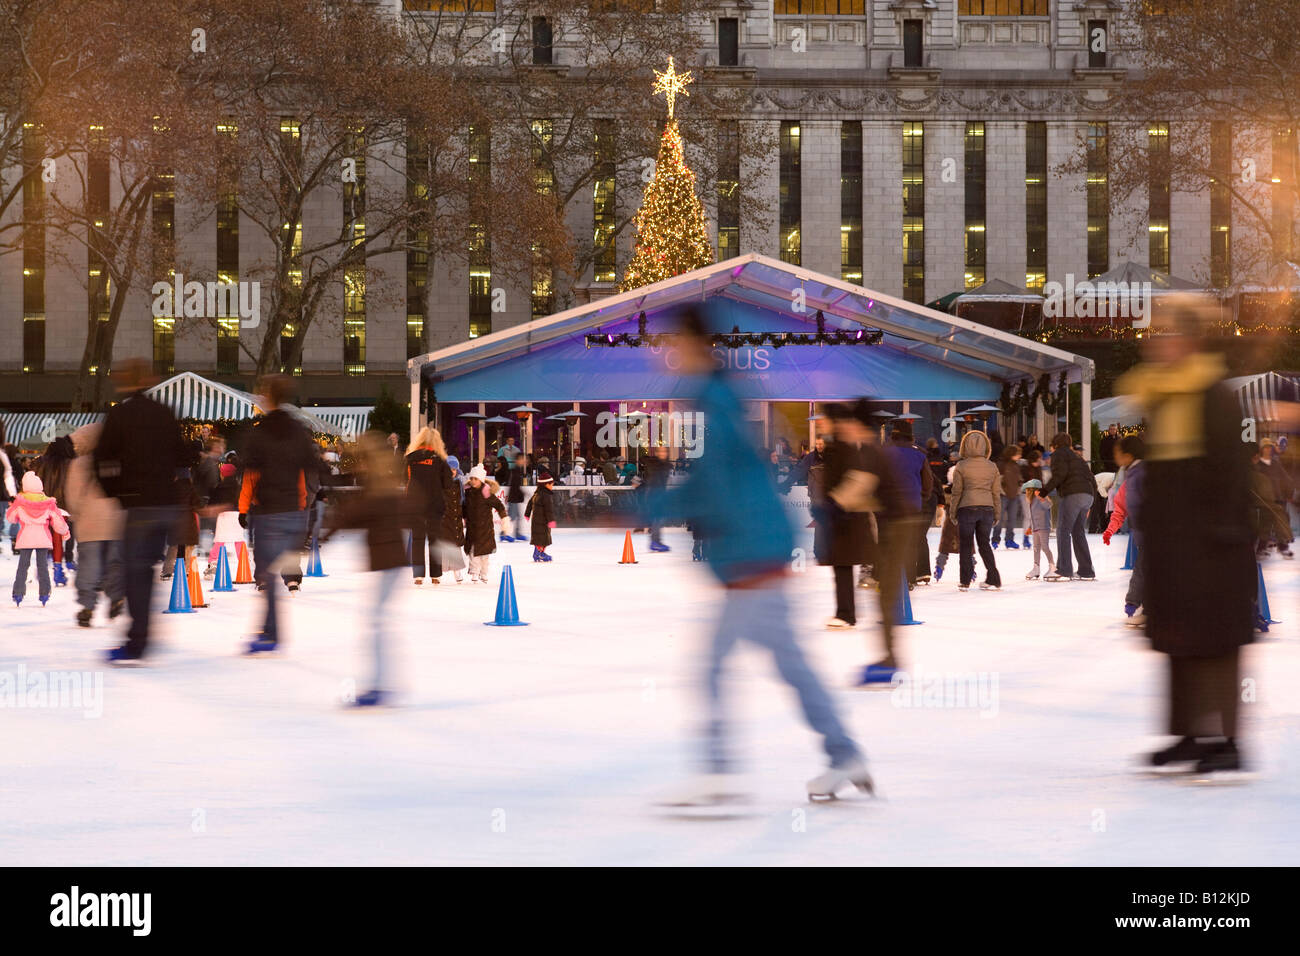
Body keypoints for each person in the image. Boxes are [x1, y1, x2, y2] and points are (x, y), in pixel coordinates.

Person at [649, 307, 871, 806]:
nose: (668, 355)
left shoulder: (713, 400)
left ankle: (718, 772)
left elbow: (714, 482)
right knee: (790, 665)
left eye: (674, 343)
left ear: (694, 344)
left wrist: (647, 506)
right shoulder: (717, 396)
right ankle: (843, 753)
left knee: (714, 668)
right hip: (755, 549)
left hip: (752, 552)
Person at [1116, 294, 1255, 774]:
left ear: (1190, 340)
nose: (1158, 343)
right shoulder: (1165, 395)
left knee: (1215, 640)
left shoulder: (1212, 393)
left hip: (1212, 542)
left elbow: (1229, 471)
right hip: (1177, 544)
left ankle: (1228, 740)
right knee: (1178, 638)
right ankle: (1190, 733)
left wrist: (1222, 530)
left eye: (1168, 333)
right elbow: (1159, 474)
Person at [94, 358, 194, 663]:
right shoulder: (163, 413)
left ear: (127, 380)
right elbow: (181, 452)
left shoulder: (121, 414)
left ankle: (138, 640)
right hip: (165, 501)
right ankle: (144, 635)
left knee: (136, 572)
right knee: (146, 568)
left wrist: (115, 493)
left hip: (138, 503)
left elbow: (104, 460)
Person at [322, 431, 419, 707]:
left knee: (376, 625)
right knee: (377, 624)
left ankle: (380, 685)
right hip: (388, 561)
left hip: (389, 562)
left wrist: (325, 536)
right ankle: (381, 684)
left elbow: (356, 514)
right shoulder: (382, 485)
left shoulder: (379, 488)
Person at [238, 374, 318, 654]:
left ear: (268, 396)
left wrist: (247, 506)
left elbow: (249, 465)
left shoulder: (260, 431)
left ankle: (271, 632)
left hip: (270, 510)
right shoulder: (298, 430)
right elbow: (312, 464)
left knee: (266, 572)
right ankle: (271, 630)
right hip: (294, 511)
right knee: (278, 566)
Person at [65, 425, 125, 627]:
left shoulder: (81, 463)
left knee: (89, 565)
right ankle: (117, 597)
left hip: (89, 523)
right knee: (114, 563)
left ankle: (87, 605)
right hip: (117, 522)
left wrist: (76, 514)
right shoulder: (119, 461)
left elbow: (73, 494)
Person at [1037, 432, 1097, 581]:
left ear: (1055, 444)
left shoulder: (1058, 454)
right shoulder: (1078, 457)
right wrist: (1090, 503)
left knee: (1063, 531)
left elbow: (1059, 475)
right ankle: (1086, 571)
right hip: (1087, 495)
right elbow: (1092, 479)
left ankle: (1064, 569)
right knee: (1078, 532)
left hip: (1072, 495)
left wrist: (1044, 492)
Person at [949, 429, 1002, 591]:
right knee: (984, 544)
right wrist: (997, 513)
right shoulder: (992, 466)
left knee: (965, 544)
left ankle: (965, 581)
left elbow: (957, 491)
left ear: (965, 446)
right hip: (987, 508)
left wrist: (953, 511)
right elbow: (996, 492)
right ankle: (993, 578)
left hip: (967, 508)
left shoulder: (961, 466)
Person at [6, 472, 70, 608]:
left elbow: (11, 518)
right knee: (43, 567)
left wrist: (13, 506)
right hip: (43, 538)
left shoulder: (20, 502)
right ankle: (44, 593)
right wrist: (65, 531)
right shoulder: (48, 502)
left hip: (26, 538)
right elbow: (58, 521)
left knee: (22, 567)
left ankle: (18, 593)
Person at [1102, 434, 1146, 624]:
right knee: (1146, 571)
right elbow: (1120, 508)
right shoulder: (1130, 478)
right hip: (1145, 536)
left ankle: (1136, 605)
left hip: (1157, 535)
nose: (1116, 457)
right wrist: (1110, 529)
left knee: (1145, 571)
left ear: (1129, 455)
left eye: (1118, 453)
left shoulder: (1145, 474)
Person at [885, 421, 933, 586]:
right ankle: (909, 579)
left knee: (889, 542)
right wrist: (922, 497)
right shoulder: (920, 454)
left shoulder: (885, 452)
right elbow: (928, 482)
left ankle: (890, 578)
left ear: (893, 434)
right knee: (911, 543)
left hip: (889, 506)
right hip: (912, 505)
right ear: (911, 435)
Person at [405, 426, 452, 586]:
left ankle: (418, 575)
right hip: (435, 504)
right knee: (435, 540)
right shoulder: (439, 460)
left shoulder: (410, 458)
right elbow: (448, 484)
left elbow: (404, 478)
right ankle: (435, 575)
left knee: (417, 539)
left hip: (414, 504)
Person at [462, 464, 505, 583]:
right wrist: (463, 517)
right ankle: (474, 572)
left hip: (485, 528)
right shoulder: (468, 492)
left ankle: (484, 572)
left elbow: (499, 505)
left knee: (485, 554)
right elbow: (464, 507)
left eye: (475, 479)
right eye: (471, 478)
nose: (473, 481)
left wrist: (504, 518)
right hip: (472, 528)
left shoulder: (486, 492)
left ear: (481, 480)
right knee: (473, 551)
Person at [439, 456, 467, 583]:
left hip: (456, 519)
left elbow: (462, 501)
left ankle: (457, 571)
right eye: (450, 469)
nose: (452, 471)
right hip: (444, 519)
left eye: (455, 469)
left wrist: (464, 516)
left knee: (455, 546)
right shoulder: (440, 483)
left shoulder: (459, 484)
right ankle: (439, 572)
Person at [1020, 479, 1055, 581]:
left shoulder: (1040, 499)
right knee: (1036, 548)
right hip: (1036, 528)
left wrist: (1042, 498)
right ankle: (1036, 568)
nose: (1026, 493)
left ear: (1032, 490)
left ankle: (1052, 566)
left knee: (1045, 547)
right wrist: (1030, 527)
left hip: (1043, 527)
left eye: (1027, 490)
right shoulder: (1032, 502)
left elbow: (1049, 505)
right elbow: (1033, 516)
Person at [994, 444, 1023, 549]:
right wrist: (1002, 492)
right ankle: (995, 539)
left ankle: (1009, 540)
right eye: (1017, 454)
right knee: (999, 519)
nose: (1019, 456)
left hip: (1014, 496)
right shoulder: (1001, 465)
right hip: (1003, 496)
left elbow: (1019, 480)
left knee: (1012, 519)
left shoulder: (1016, 466)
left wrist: (1018, 490)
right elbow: (997, 480)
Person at [642, 445, 671, 551]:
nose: (663, 453)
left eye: (665, 451)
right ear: (657, 453)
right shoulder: (655, 465)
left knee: (659, 519)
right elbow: (652, 480)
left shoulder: (665, 465)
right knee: (658, 518)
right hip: (654, 494)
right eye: (661, 451)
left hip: (659, 494)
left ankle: (656, 541)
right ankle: (655, 542)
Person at [525, 470, 556, 562]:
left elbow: (529, 504)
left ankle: (538, 553)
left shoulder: (537, 493)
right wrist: (551, 520)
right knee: (543, 538)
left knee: (539, 537)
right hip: (543, 521)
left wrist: (527, 514)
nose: (552, 485)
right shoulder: (546, 496)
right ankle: (538, 554)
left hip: (536, 521)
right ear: (545, 484)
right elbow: (549, 510)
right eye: (551, 484)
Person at [503, 452, 526, 542]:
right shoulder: (514, 471)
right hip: (513, 498)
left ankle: (517, 533)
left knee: (518, 516)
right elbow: (514, 487)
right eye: (522, 459)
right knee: (511, 517)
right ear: (517, 460)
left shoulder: (518, 470)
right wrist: (520, 495)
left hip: (515, 497)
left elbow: (517, 486)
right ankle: (503, 534)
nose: (524, 461)